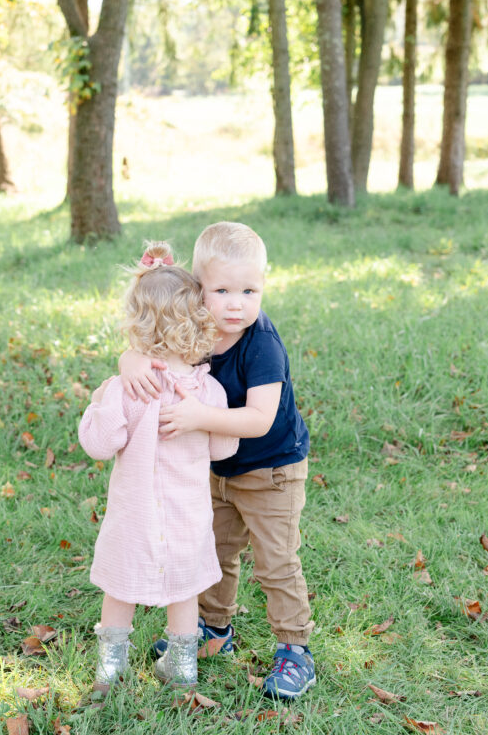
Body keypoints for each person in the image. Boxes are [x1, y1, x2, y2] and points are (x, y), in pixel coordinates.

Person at [116, 222, 315, 700]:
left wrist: (198, 415)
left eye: (250, 290)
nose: (235, 304)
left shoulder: (261, 343)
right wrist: (131, 362)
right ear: (196, 290)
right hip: (218, 470)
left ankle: (295, 651)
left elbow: (261, 418)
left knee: (276, 562)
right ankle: (214, 629)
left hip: (272, 471)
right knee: (214, 553)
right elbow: (149, 347)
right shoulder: (199, 330)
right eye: (221, 290)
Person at [78, 242, 238, 695]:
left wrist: (99, 401)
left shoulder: (126, 388)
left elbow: (98, 443)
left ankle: (111, 668)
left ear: (136, 323)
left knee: (120, 585)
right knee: (184, 587)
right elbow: (224, 449)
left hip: (133, 515)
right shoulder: (208, 392)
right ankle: (182, 666)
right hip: (187, 515)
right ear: (198, 323)